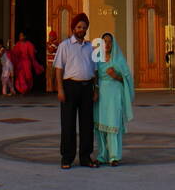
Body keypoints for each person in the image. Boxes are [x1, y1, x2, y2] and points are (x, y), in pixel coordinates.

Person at [55, 12, 98, 169]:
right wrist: (60, 89)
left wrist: (95, 89)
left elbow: (95, 71)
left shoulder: (90, 48)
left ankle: (86, 157)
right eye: (79, 27)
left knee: (87, 125)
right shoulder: (64, 46)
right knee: (68, 124)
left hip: (87, 88)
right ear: (73, 28)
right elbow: (59, 69)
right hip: (70, 88)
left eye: (84, 27)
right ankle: (67, 158)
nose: (81, 29)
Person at [94, 32, 134, 166]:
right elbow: (92, 75)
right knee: (100, 125)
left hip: (114, 95)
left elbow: (127, 79)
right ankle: (101, 155)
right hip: (100, 95)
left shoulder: (118, 59)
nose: (107, 44)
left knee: (113, 124)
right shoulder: (97, 58)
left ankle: (114, 156)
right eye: (104, 41)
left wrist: (115, 76)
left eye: (109, 41)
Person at [45, 30, 60, 94]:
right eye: (49, 36)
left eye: (51, 36)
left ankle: (52, 90)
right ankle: (50, 89)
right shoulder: (51, 43)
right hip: (50, 62)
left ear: (54, 37)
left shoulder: (55, 43)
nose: (50, 37)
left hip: (53, 62)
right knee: (49, 76)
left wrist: (47, 45)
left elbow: (51, 50)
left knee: (52, 76)